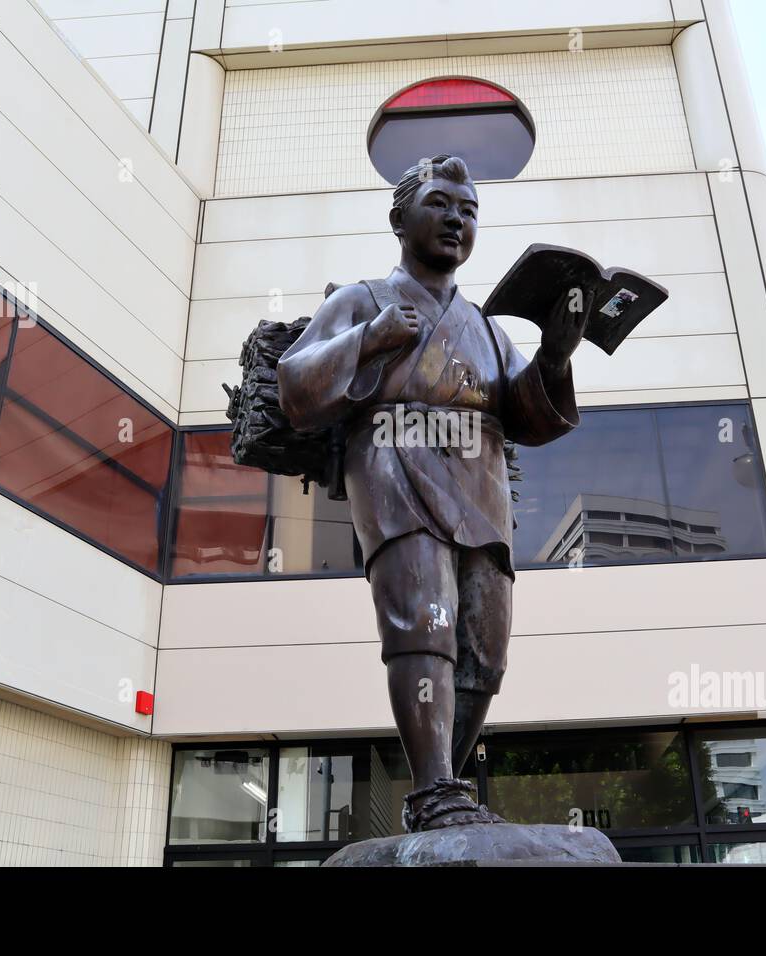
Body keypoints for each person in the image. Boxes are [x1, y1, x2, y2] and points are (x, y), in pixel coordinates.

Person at [277, 154, 589, 832]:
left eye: (470, 211)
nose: (457, 218)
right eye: (442, 203)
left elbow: (530, 417)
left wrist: (555, 357)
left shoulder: (483, 325)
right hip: (395, 469)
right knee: (424, 622)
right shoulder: (361, 298)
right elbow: (296, 385)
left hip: (478, 487)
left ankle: (437, 788)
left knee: (485, 649)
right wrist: (370, 338)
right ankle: (437, 787)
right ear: (400, 218)